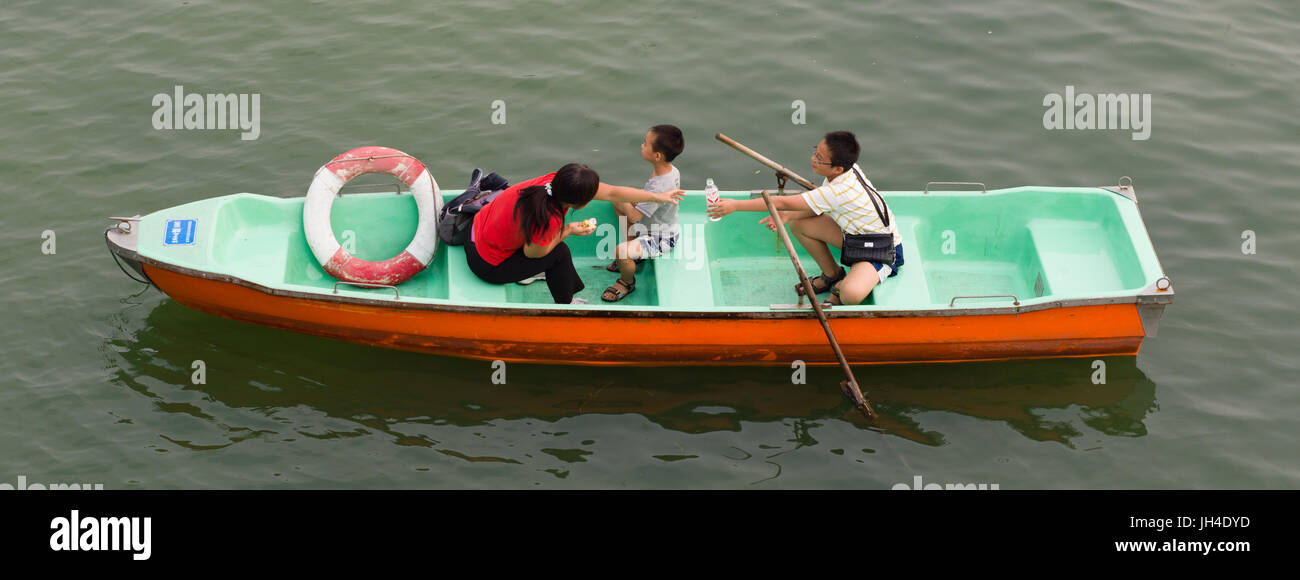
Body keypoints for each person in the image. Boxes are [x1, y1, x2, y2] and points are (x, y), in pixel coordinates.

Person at [706, 131, 903, 305]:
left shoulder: (838, 190)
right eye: (816, 152)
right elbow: (819, 206)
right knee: (799, 224)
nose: (813, 159)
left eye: (820, 158)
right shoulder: (848, 171)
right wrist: (788, 216)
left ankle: (845, 284)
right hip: (856, 237)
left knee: (850, 295)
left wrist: (735, 206)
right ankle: (833, 274)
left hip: (883, 250)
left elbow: (783, 202)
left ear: (837, 169)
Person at [466, 163, 684, 304]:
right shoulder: (549, 218)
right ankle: (566, 304)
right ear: (580, 203)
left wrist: (658, 197)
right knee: (559, 252)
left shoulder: (551, 183)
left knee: (549, 244)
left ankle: (531, 273)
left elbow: (612, 192)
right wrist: (569, 229)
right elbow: (532, 253)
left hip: (474, 230)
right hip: (486, 264)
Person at [602, 124, 685, 302]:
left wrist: (632, 200)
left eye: (645, 143)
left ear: (657, 155)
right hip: (654, 225)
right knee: (617, 199)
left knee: (621, 252)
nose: (642, 146)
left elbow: (633, 217)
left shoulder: (659, 185)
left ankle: (626, 282)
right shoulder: (670, 170)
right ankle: (635, 252)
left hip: (661, 238)